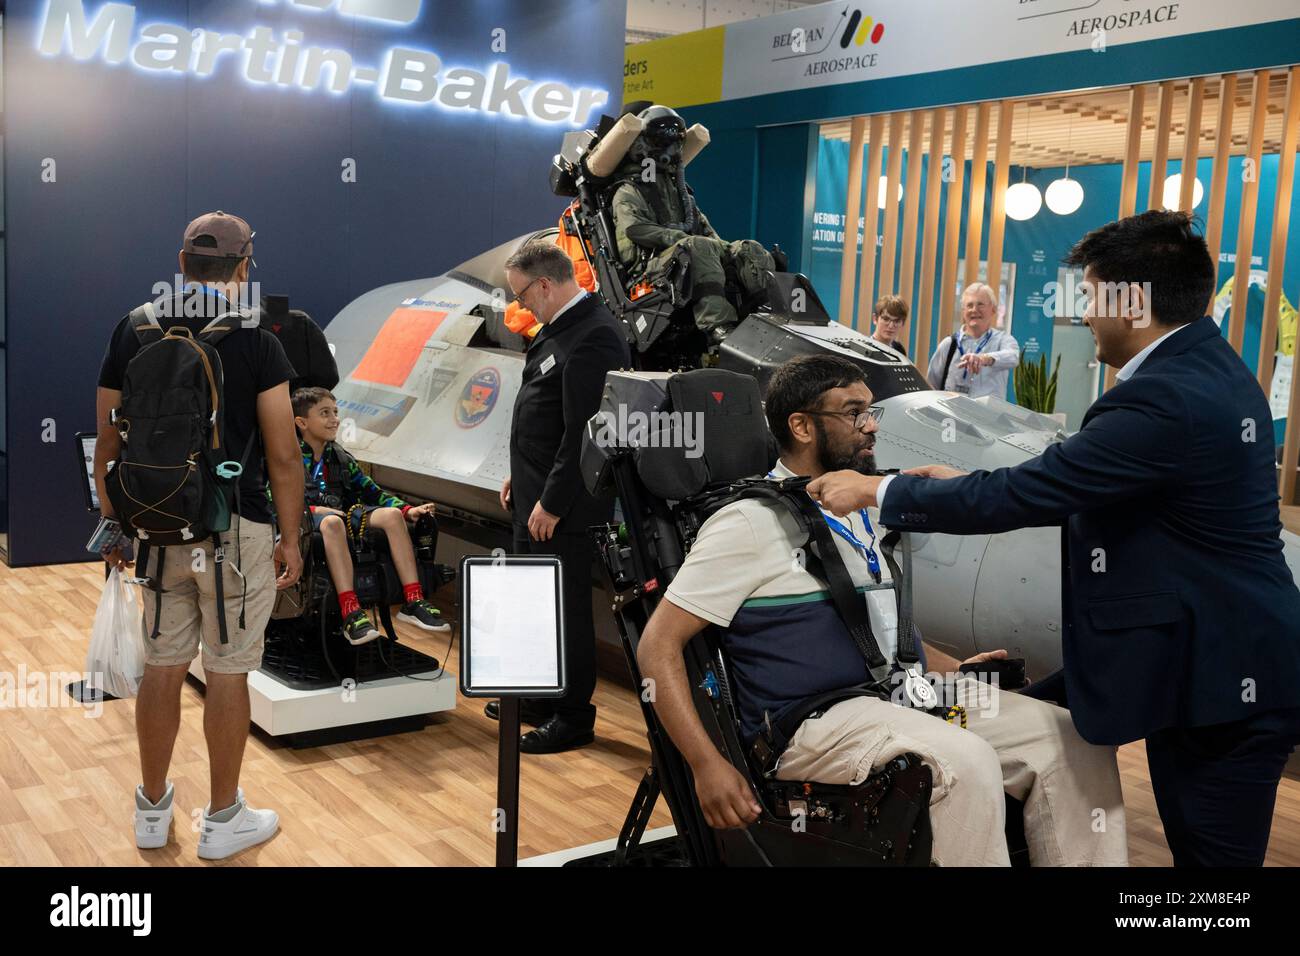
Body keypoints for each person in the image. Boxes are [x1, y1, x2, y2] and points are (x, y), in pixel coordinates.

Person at [808, 210, 1300, 866]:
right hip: (1199, 660)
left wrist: (877, 491)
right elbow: (1091, 489)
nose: (1083, 314)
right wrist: (960, 480)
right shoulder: (1207, 366)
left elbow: (1031, 493)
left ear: (1132, 302)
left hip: (1220, 680)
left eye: (1091, 296)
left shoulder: (1161, 400)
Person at [637, 353, 1127, 865]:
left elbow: (884, 633)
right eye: (853, 414)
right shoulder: (749, 521)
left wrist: (957, 671)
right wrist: (705, 764)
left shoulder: (863, 503)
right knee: (967, 761)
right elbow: (659, 645)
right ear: (801, 426)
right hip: (815, 721)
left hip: (898, 695)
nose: (871, 427)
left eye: (871, 411)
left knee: (1072, 739)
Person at [94, 211, 304, 860]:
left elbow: (108, 441)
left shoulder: (133, 329)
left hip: (159, 528)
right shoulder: (258, 338)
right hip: (233, 530)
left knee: (162, 667)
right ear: (243, 269)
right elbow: (284, 455)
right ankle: (222, 818)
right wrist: (291, 539)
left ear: (181, 264)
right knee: (229, 669)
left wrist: (116, 521)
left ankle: (153, 810)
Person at [495, 242, 631, 753]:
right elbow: (544, 416)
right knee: (535, 605)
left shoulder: (595, 335)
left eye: (522, 295)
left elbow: (586, 432)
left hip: (566, 508)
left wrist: (551, 501)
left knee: (565, 610)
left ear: (546, 284)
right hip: (535, 496)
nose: (521, 306)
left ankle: (574, 716)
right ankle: (537, 695)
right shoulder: (560, 329)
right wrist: (521, 478)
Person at [291, 386, 446, 644]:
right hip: (307, 519)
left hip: (341, 516)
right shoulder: (288, 456)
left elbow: (372, 492)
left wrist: (408, 510)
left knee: (391, 516)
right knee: (331, 522)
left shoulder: (339, 457)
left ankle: (413, 600)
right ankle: (350, 611)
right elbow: (271, 500)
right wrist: (316, 510)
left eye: (336, 412)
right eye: (325, 413)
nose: (335, 419)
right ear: (302, 422)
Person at [610, 104, 774, 343]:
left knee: (749, 248)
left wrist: (729, 249)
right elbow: (635, 229)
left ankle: (766, 317)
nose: (674, 148)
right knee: (698, 246)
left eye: (676, 141)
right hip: (648, 267)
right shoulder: (629, 189)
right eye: (665, 140)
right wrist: (680, 239)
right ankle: (718, 325)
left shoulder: (679, 192)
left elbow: (706, 231)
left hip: (682, 255)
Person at [926, 283, 1019, 398]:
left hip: (987, 414)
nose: (974, 310)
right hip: (952, 413)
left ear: (993, 310)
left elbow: (1013, 357)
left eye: (980, 305)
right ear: (963, 311)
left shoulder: (1003, 340)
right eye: (969, 305)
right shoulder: (949, 344)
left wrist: (984, 359)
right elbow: (931, 384)